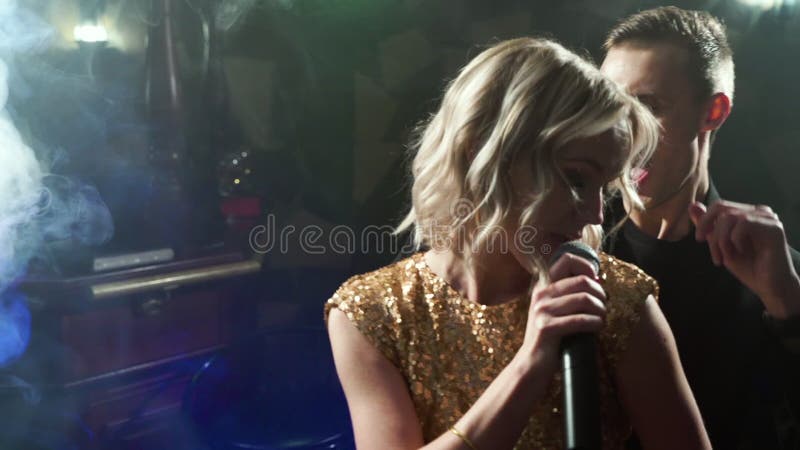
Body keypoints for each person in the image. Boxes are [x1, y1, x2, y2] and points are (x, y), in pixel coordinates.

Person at [325, 37, 710, 450]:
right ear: (481, 154)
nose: (597, 215)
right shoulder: (372, 313)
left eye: (605, 186)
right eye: (577, 178)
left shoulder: (615, 302)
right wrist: (530, 363)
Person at [599, 6, 800, 449]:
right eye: (611, 107)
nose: (625, 131)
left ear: (713, 111)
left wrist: (790, 310)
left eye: (649, 106)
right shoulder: (571, 250)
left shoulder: (774, 272)